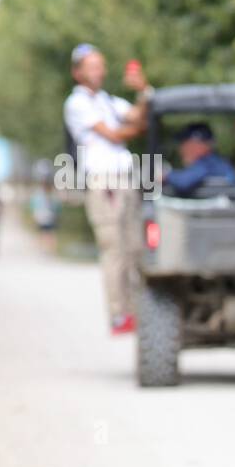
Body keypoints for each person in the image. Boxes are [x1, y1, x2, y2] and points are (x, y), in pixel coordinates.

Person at [63, 44, 153, 335]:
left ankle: (139, 310)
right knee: (113, 248)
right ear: (77, 73)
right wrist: (132, 130)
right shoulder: (77, 103)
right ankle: (119, 314)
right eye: (92, 66)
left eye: (100, 65)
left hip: (124, 179)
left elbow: (141, 118)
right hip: (103, 183)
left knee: (135, 248)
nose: (99, 71)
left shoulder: (108, 101)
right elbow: (115, 135)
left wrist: (143, 90)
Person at [163, 122, 235, 196]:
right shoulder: (217, 162)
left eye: (185, 144)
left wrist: (165, 176)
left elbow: (184, 181)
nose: (181, 150)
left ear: (200, 145)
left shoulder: (209, 163)